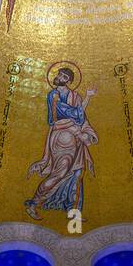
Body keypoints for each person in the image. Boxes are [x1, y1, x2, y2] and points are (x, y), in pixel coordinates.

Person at [24, 67, 97, 219]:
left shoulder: (75, 95)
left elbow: (81, 118)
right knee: (59, 174)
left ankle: (73, 211)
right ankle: (34, 203)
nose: (59, 77)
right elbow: (71, 113)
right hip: (61, 138)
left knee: (77, 173)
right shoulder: (54, 95)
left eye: (63, 76)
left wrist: (87, 134)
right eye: (59, 74)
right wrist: (87, 99)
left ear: (69, 81)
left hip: (76, 141)